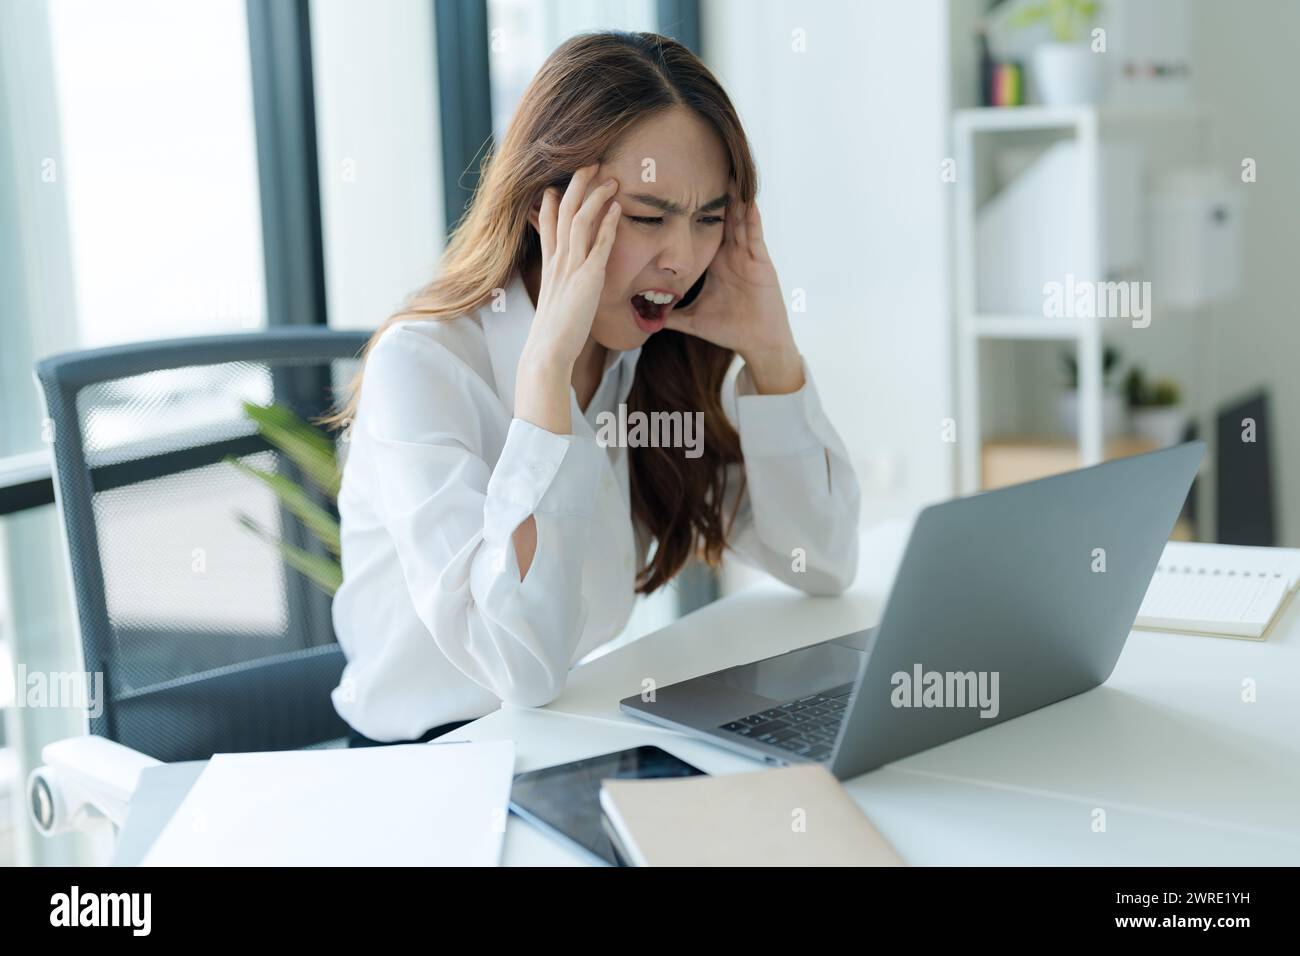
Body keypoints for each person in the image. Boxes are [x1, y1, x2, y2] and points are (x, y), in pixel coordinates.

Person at [324, 31, 861, 747]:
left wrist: (771, 352)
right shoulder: (423, 368)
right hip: (429, 765)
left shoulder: (652, 359)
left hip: (565, 736)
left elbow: (822, 565)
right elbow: (518, 667)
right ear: (548, 207)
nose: (682, 259)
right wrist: (545, 375)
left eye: (708, 219)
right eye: (647, 216)